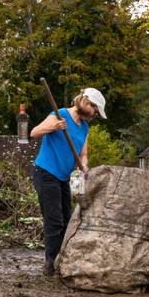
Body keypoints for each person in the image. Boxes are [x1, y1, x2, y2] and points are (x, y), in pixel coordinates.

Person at [28, 88, 105, 277]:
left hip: (63, 177)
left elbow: (83, 154)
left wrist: (84, 166)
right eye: (95, 110)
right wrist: (54, 127)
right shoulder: (60, 114)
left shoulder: (84, 127)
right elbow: (34, 132)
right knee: (54, 220)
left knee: (67, 220)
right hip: (46, 173)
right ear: (87, 104)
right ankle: (50, 264)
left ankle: (62, 259)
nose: (96, 114)